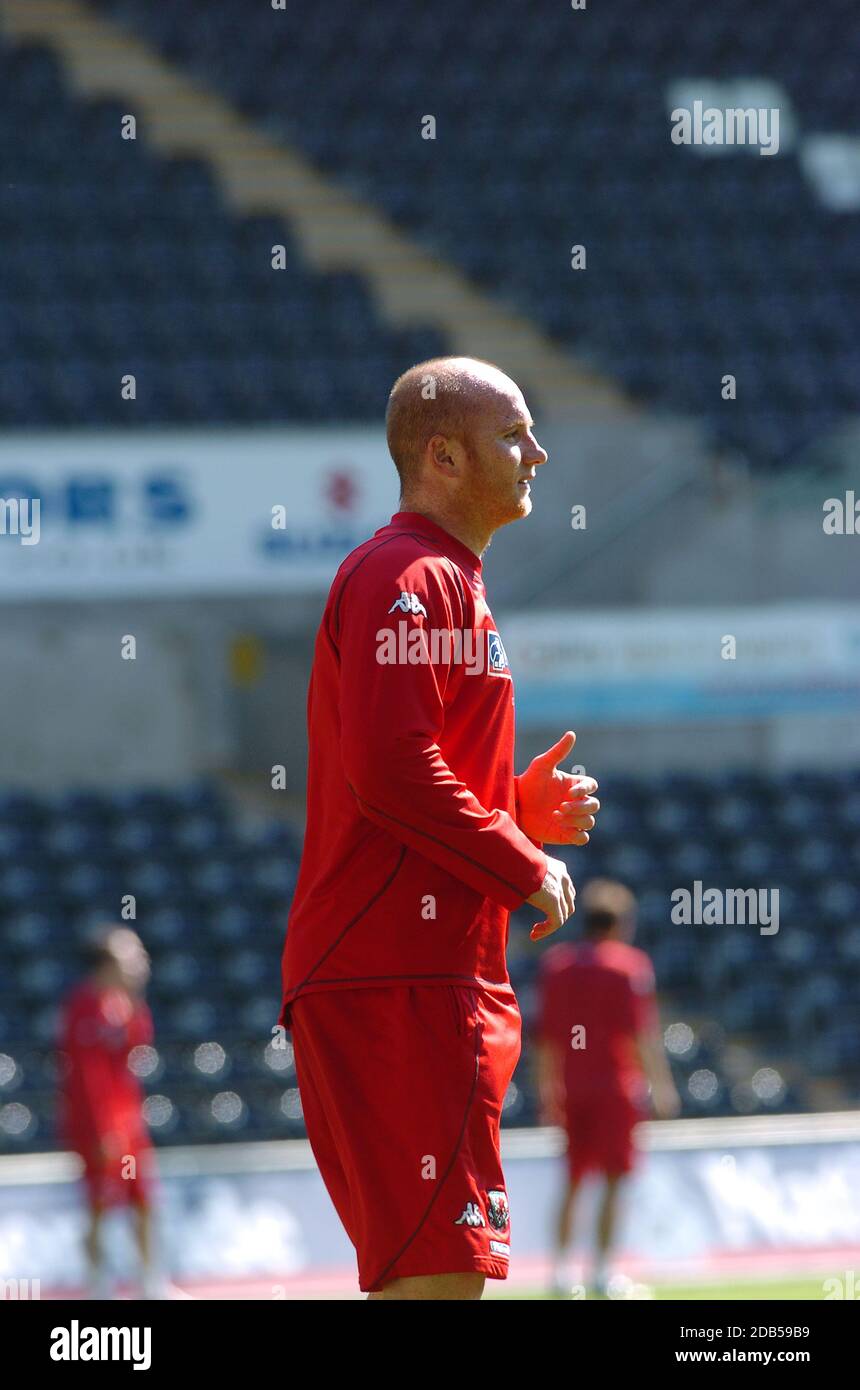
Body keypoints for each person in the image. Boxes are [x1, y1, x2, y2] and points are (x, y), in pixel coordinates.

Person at [279, 355, 601, 1300]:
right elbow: (389, 771)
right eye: (513, 435)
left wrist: (512, 805)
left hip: (417, 972)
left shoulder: (442, 577)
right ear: (445, 456)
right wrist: (519, 858)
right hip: (398, 974)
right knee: (439, 1283)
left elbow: (410, 770)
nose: (537, 452)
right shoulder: (405, 574)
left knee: (429, 1280)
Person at [534, 879, 680, 1297]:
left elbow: (547, 1039)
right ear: (622, 924)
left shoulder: (557, 966)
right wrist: (661, 1087)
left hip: (572, 1087)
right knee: (614, 1180)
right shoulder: (629, 967)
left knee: (573, 1179)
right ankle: (601, 1273)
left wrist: (548, 1093)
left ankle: (561, 1273)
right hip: (615, 1087)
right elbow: (641, 1034)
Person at [58, 925, 162, 1299]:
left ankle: (149, 1280)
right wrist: (102, 1129)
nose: (139, 963)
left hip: (128, 1120)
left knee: (143, 1198)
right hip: (99, 1125)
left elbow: (138, 1047)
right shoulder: (84, 1005)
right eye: (130, 956)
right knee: (100, 1203)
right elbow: (87, 1073)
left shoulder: (124, 1004)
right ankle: (96, 1282)